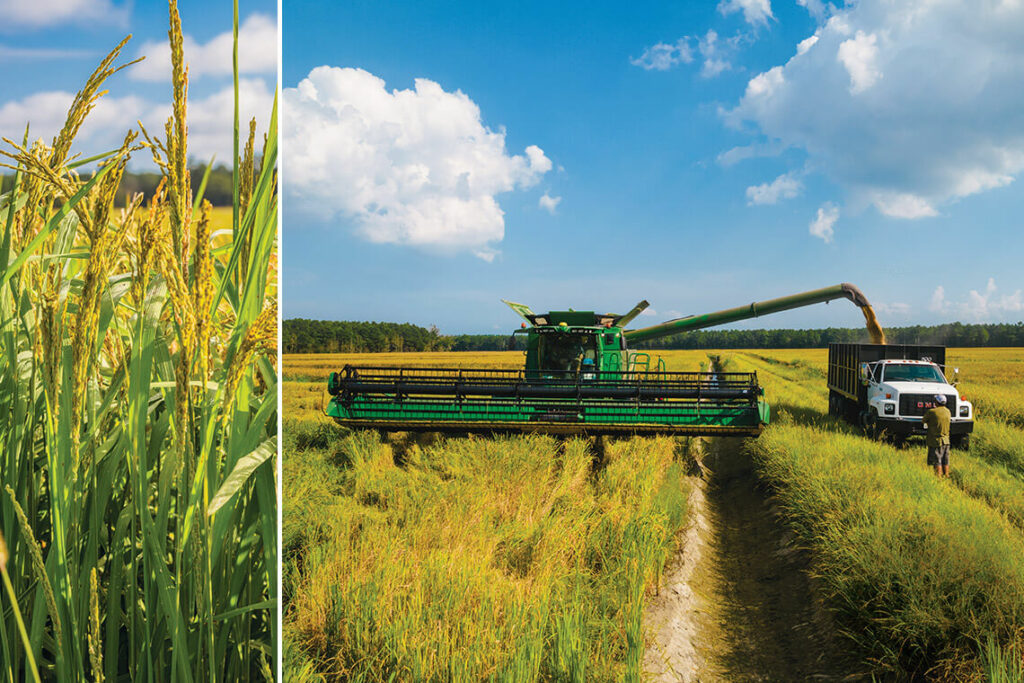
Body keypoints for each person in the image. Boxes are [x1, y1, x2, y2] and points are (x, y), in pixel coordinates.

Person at [922, 394, 952, 477]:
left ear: (937, 402)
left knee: (937, 459)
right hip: (946, 440)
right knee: (945, 459)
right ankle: (946, 474)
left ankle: (938, 477)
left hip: (935, 440)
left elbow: (923, 420)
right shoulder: (948, 411)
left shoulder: (932, 412)